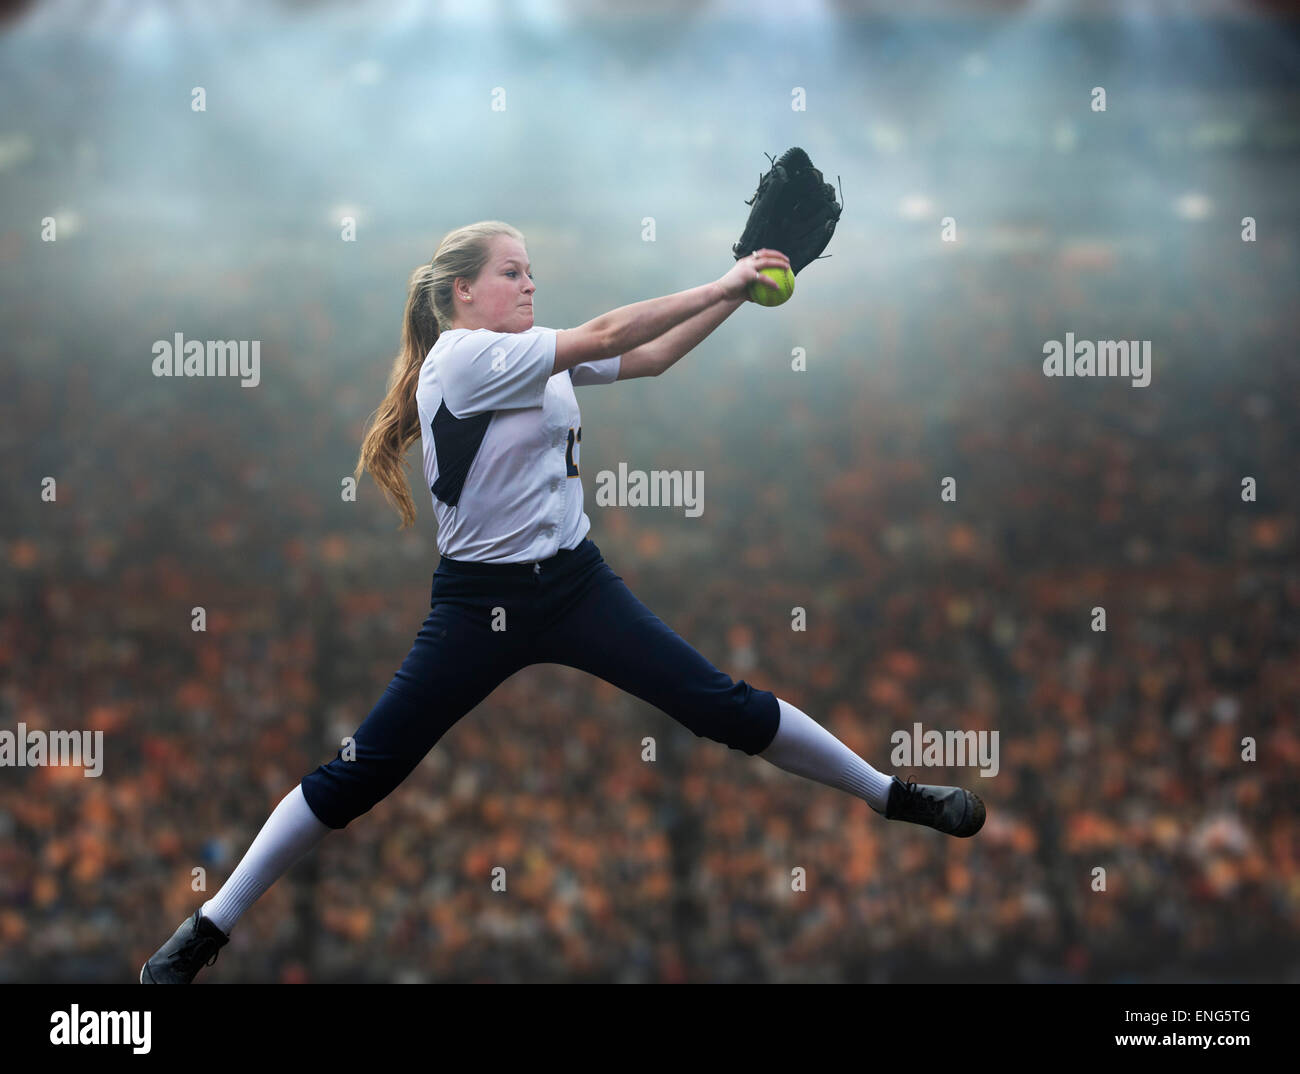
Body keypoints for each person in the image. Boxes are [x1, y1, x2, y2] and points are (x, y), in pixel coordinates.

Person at [140, 220, 984, 984]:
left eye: (532, 271)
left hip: (576, 583)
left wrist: (741, 288)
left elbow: (650, 355)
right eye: (511, 272)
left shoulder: (533, 350)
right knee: (363, 773)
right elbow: (614, 332)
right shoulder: (462, 357)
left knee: (718, 703)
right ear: (462, 291)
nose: (529, 283)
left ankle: (889, 794)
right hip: (480, 603)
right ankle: (209, 928)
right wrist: (727, 281)